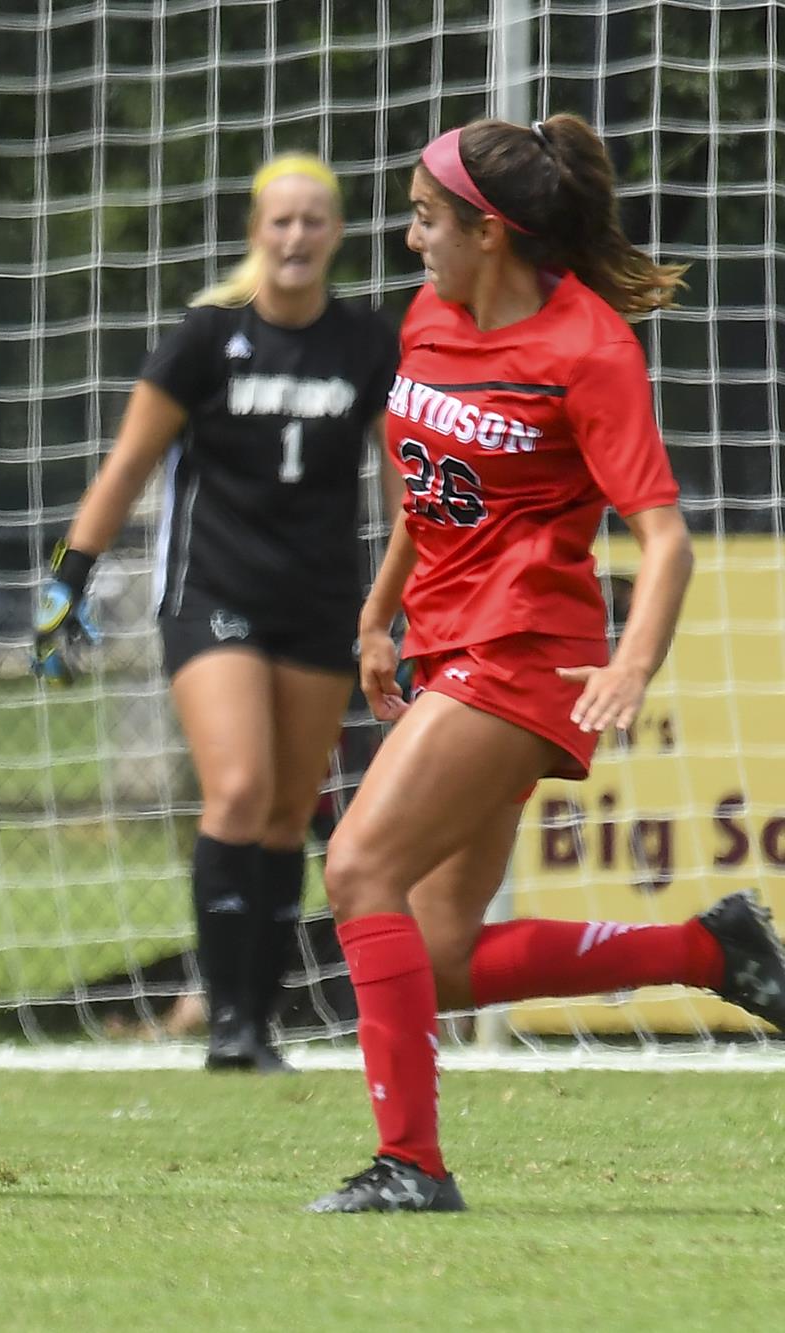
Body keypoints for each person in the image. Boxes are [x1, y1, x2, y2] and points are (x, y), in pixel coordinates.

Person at [307, 113, 785, 1214]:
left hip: (525, 655)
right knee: (439, 959)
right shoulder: (431, 316)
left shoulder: (586, 350)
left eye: (426, 219)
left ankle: (409, 1169)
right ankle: (706, 953)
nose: (407, 235)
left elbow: (661, 537)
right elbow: (423, 492)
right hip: (443, 644)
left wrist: (631, 664)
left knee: (355, 871)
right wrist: (380, 615)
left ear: (491, 233)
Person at [33, 153, 398, 1072]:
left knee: (286, 811)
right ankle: (227, 1021)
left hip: (318, 602)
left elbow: (403, 491)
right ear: (254, 232)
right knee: (236, 790)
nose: (296, 237)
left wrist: (401, 603)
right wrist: (66, 581)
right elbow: (126, 467)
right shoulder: (206, 337)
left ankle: (257, 1023)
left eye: (314, 221)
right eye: (281, 221)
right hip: (214, 595)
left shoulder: (365, 344)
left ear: (337, 235)